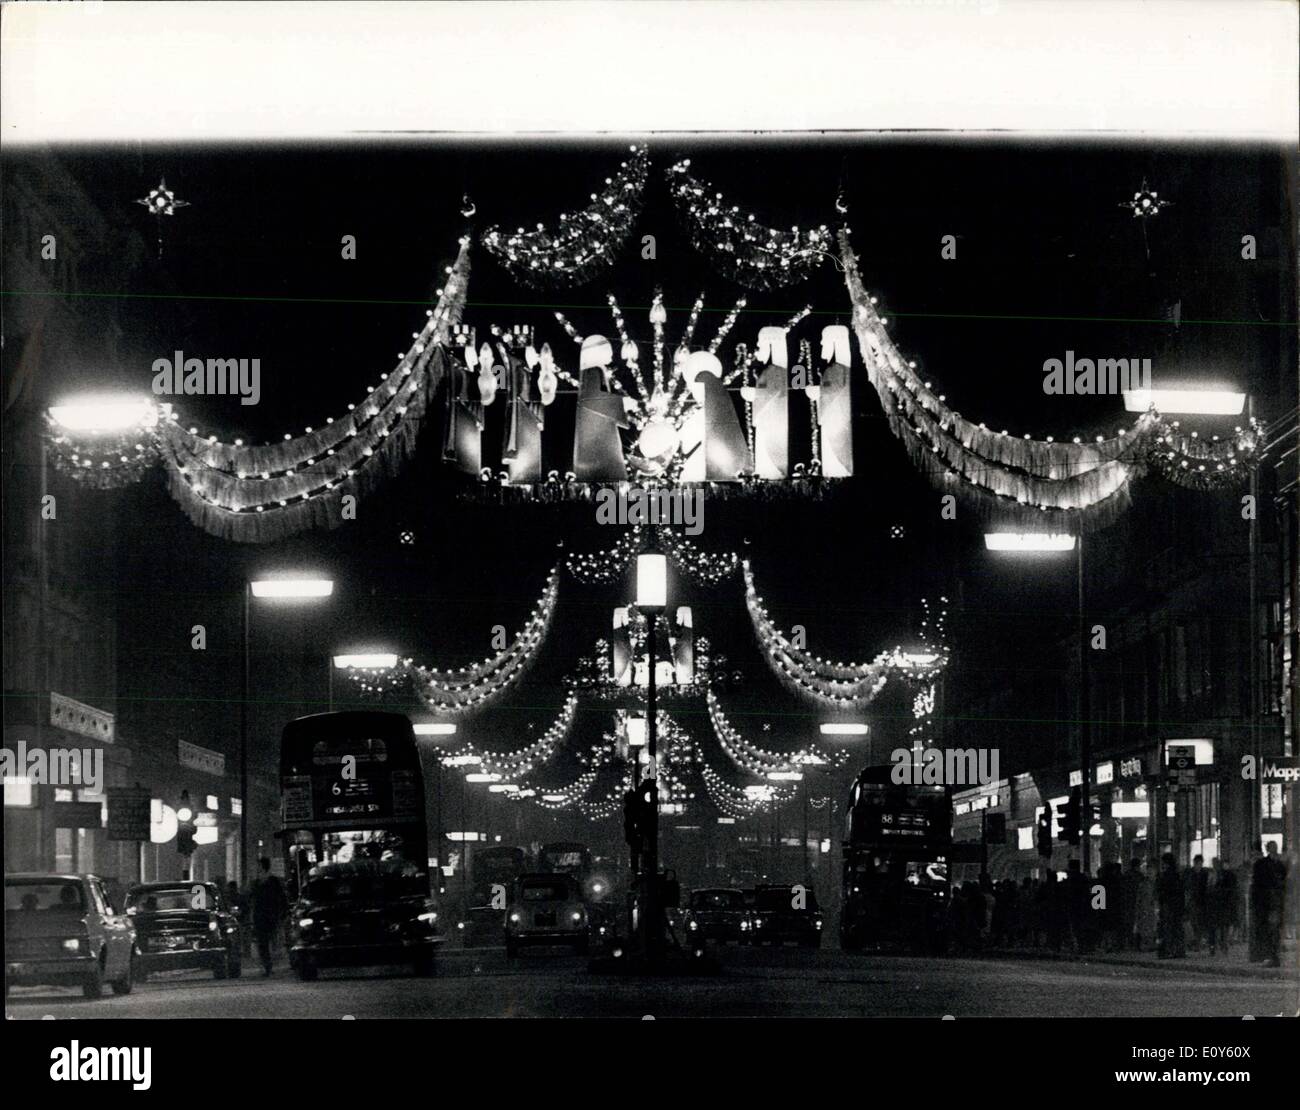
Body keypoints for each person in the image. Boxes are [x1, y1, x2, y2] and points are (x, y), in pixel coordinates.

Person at [249, 856, 288, 976]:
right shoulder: (258, 881)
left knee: (269, 940)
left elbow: (280, 897)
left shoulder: (270, 881)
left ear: (262, 866)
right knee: (263, 941)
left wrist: (282, 912)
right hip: (263, 915)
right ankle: (268, 965)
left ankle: (270, 964)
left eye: (259, 865)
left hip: (269, 914)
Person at [1156, 853, 1185, 958]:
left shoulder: (1164, 875)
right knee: (1177, 928)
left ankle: (1168, 950)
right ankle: (1178, 950)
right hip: (1177, 905)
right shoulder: (1177, 875)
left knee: (1167, 928)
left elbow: (1161, 891)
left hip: (1167, 905)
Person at [1186, 854, 1208, 951]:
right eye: (1196, 863)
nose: (1197, 865)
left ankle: (1197, 942)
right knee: (1194, 922)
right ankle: (1195, 942)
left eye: (1199, 863)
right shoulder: (1190, 873)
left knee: (1200, 922)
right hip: (1193, 901)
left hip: (1201, 901)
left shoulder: (1204, 874)